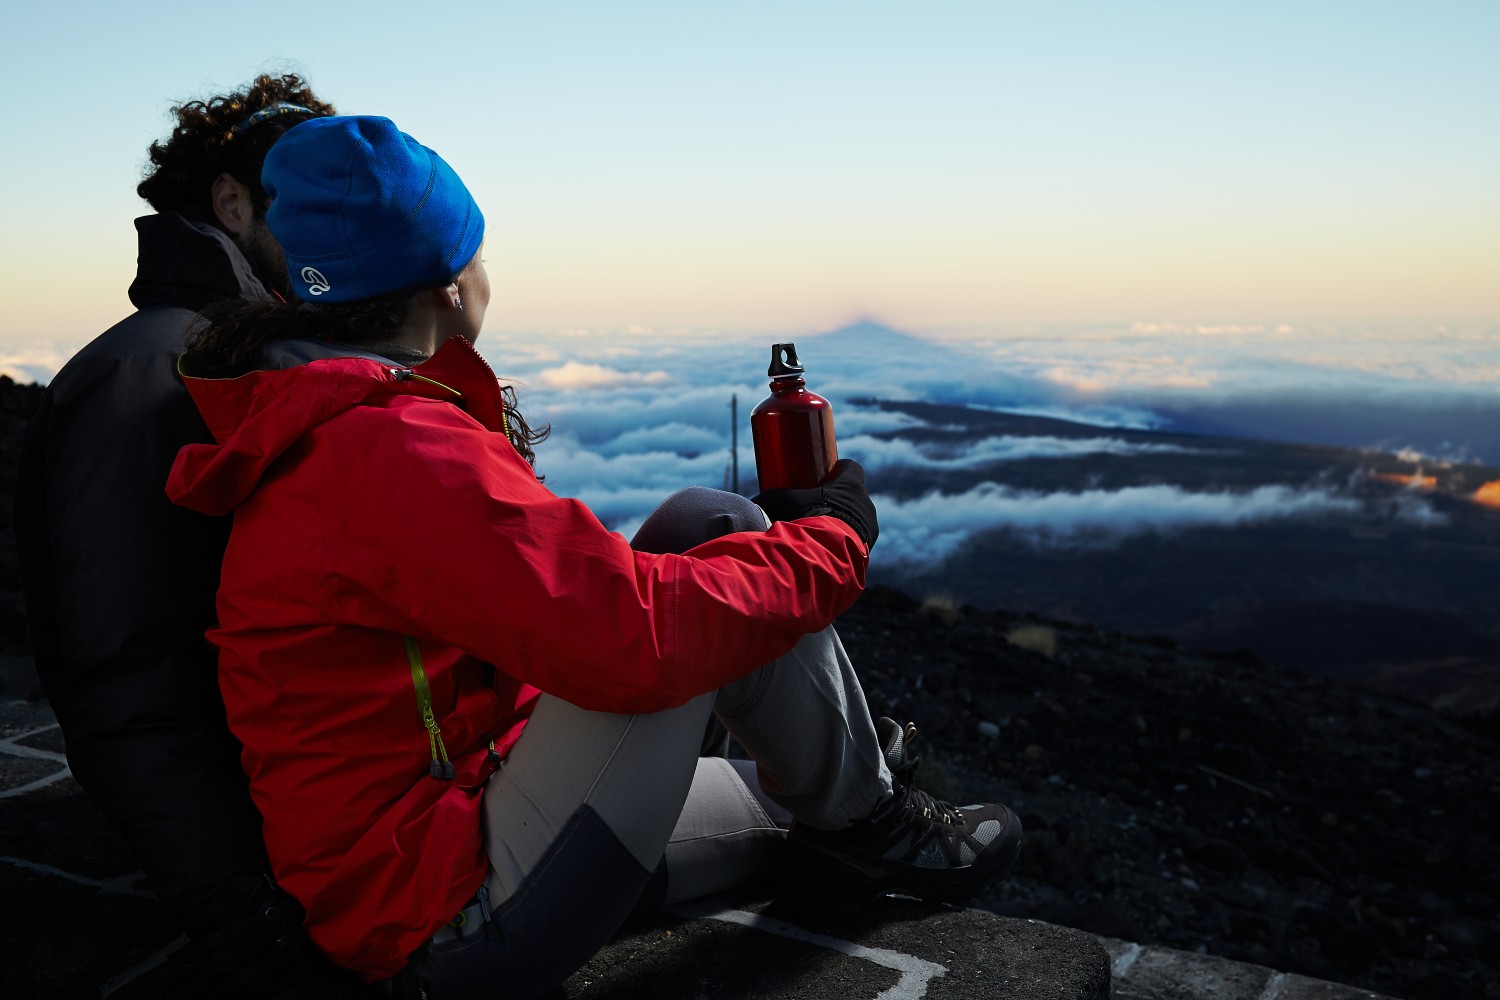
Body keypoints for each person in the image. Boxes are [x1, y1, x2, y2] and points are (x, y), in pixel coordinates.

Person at [165, 115, 1023, 997]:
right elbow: (633, 638)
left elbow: (554, 607)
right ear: (451, 283)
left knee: (717, 552)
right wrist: (833, 540)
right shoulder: (392, 449)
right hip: (434, 914)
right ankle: (870, 817)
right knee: (718, 561)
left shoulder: (330, 421)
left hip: (451, 822)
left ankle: (857, 814)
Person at [13, 74, 362, 996]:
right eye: (307, 200)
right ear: (233, 203)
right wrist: (235, 908)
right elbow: (127, 665)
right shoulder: (148, 371)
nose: (334, 226)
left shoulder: (252, 351)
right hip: (270, 839)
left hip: (322, 796)